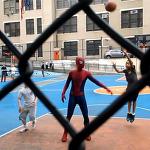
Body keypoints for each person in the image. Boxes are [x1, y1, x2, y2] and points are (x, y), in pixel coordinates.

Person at [61, 56, 113, 142]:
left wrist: (105, 87)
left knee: (86, 116)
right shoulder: (71, 73)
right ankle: (65, 133)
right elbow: (67, 84)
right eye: (80, 64)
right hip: (72, 97)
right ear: (77, 64)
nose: (82, 66)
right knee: (68, 116)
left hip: (81, 97)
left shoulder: (86, 73)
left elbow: (96, 81)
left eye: (83, 64)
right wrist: (63, 93)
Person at [112, 50, 138, 123]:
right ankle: (129, 113)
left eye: (128, 63)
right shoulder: (125, 71)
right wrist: (114, 67)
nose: (127, 64)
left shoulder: (133, 69)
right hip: (129, 88)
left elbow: (131, 61)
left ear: (130, 64)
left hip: (136, 88)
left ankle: (133, 113)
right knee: (129, 101)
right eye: (126, 63)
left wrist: (126, 54)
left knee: (134, 101)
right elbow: (117, 71)